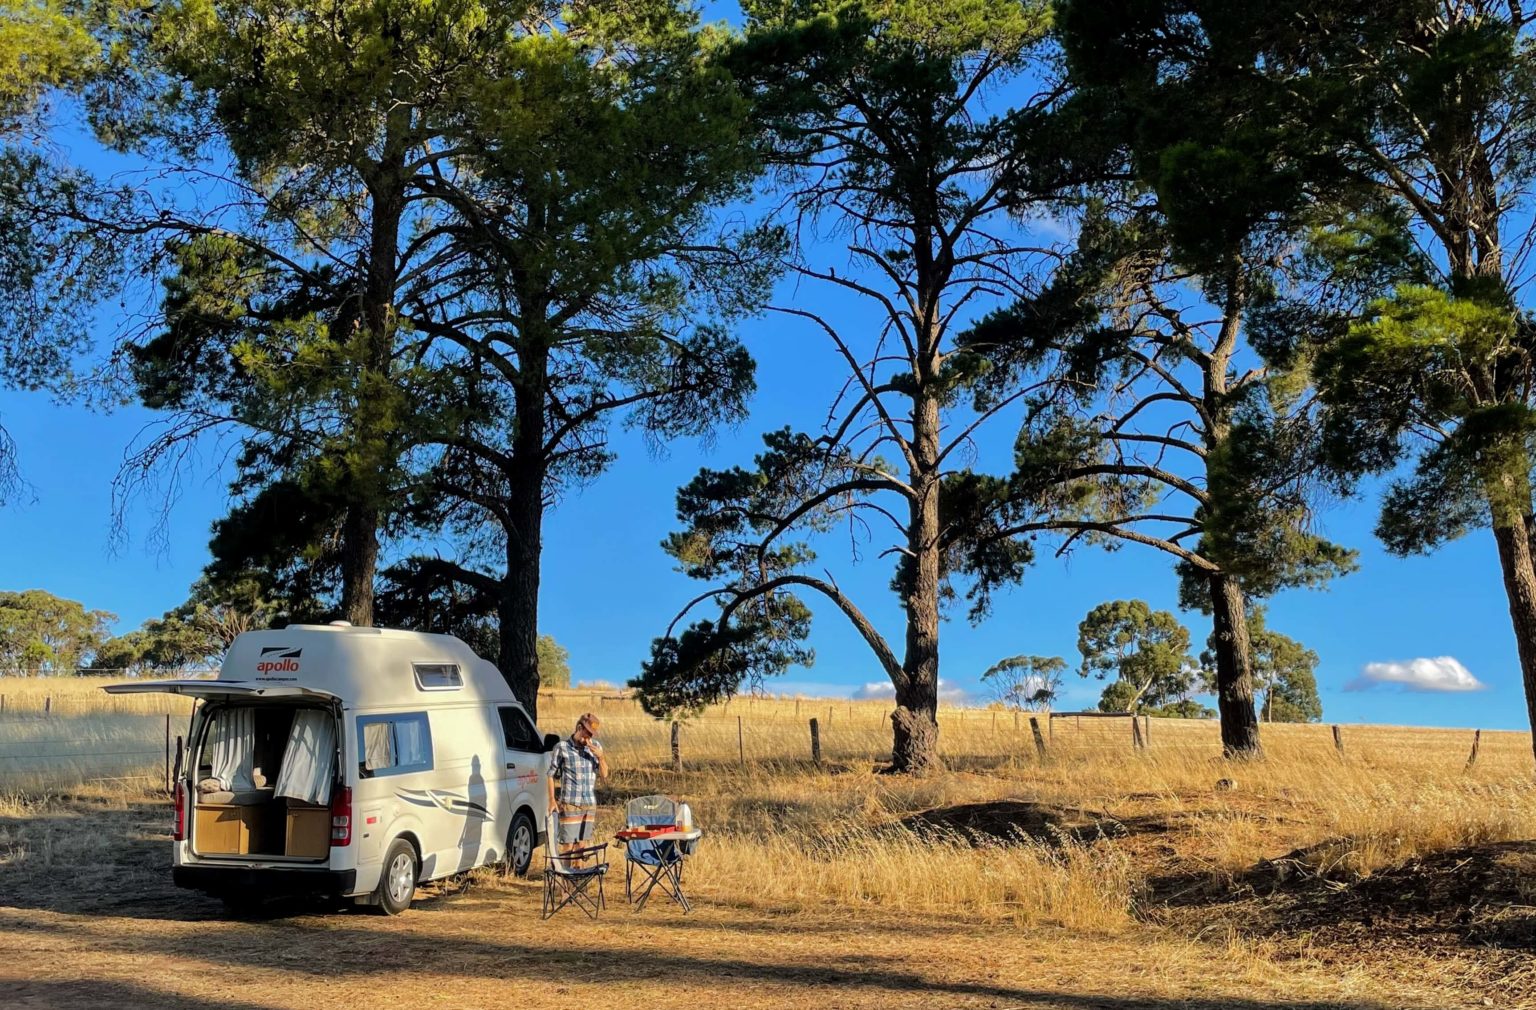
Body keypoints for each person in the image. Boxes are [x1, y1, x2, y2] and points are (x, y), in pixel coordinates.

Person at [547, 712, 608, 858]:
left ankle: (577, 876)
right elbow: (550, 775)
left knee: (581, 845)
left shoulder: (596, 747)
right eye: (587, 734)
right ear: (579, 728)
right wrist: (551, 800)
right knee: (568, 844)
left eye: (591, 735)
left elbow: (604, 774)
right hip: (570, 802)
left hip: (588, 803)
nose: (589, 738)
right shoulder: (562, 747)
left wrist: (601, 756)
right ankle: (567, 877)